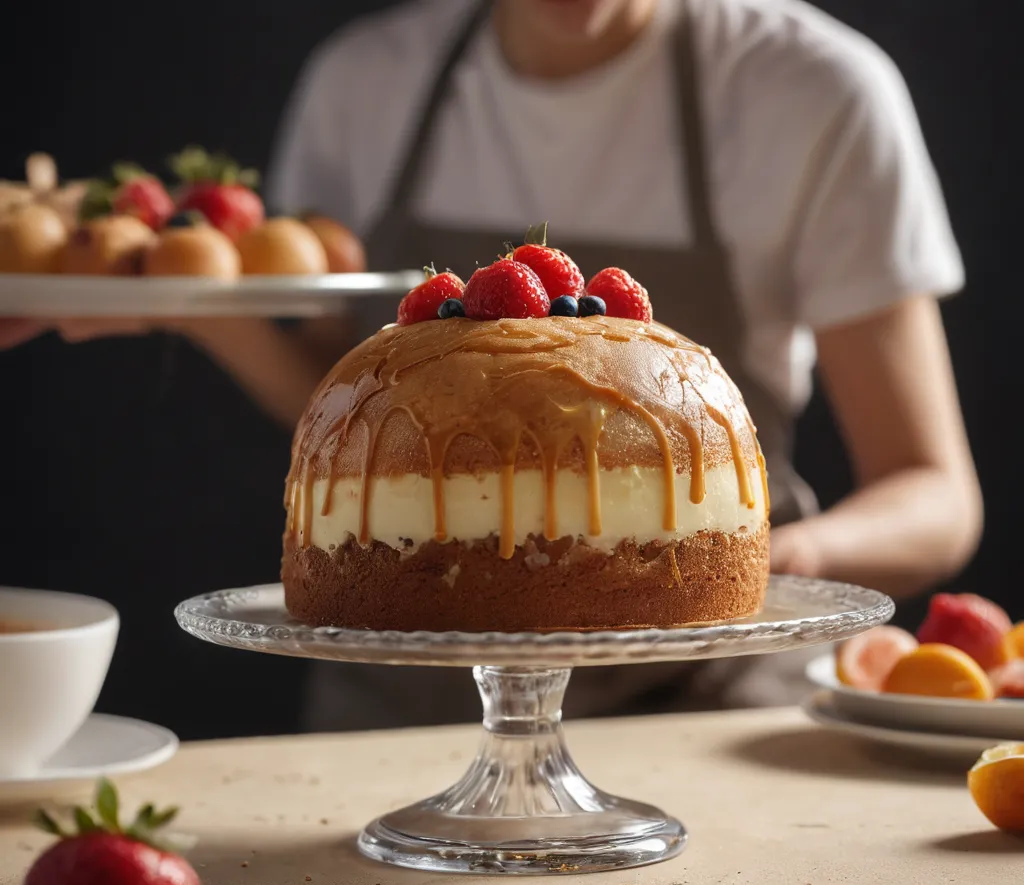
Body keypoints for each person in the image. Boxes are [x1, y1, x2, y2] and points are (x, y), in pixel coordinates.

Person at [1, 0, 982, 728]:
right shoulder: (367, 82)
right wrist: (187, 305)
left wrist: (766, 563)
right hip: (397, 710)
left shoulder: (811, 90)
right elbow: (372, 417)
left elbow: (934, 493)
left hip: (705, 711)